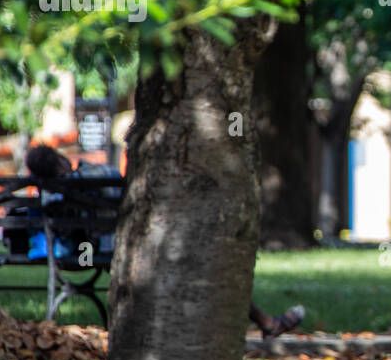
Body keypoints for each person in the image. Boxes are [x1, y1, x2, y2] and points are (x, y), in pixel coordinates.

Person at [24, 144, 304, 338]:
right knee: (199, 264)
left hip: (81, 255)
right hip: (124, 249)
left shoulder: (48, 194)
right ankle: (264, 322)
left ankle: (262, 322)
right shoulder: (99, 174)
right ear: (61, 160)